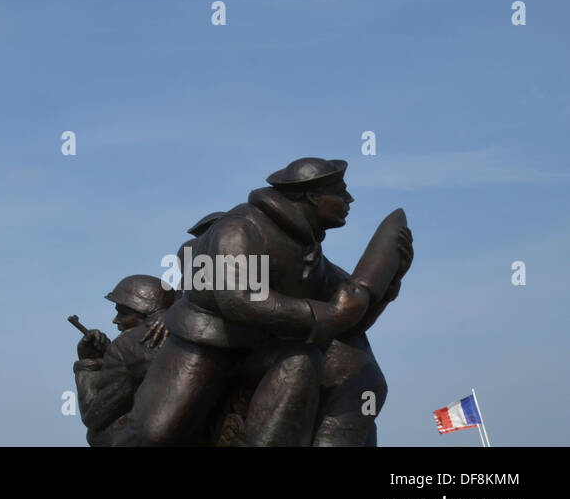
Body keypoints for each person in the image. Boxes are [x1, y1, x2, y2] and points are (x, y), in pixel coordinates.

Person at [113, 157, 412, 447]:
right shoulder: (241, 228)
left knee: (309, 363)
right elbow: (240, 300)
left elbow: (347, 319)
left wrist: (388, 282)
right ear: (312, 196)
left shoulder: (307, 248)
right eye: (340, 193)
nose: (349, 199)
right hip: (206, 344)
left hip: (261, 348)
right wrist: (326, 313)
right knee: (156, 433)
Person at [73, 275, 174, 446]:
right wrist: (105, 361)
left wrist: (87, 364)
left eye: (122, 312)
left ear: (143, 311)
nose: (115, 320)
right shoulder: (180, 337)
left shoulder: (125, 348)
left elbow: (93, 416)